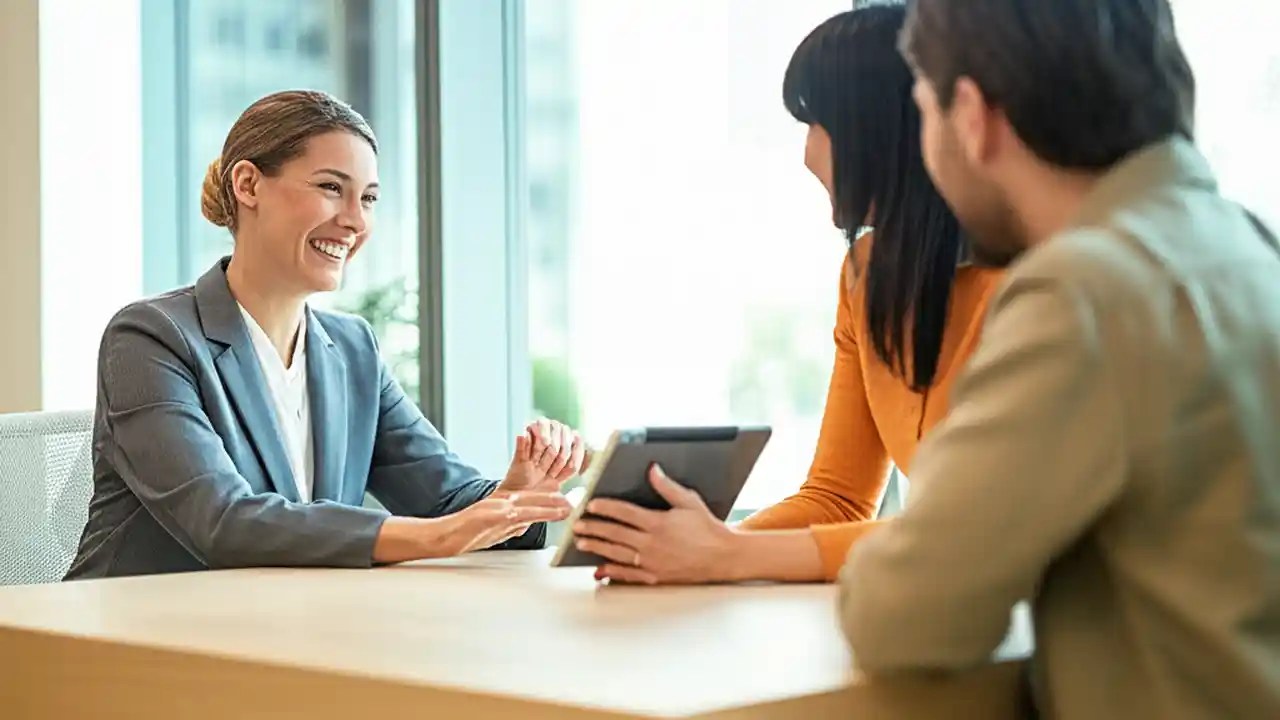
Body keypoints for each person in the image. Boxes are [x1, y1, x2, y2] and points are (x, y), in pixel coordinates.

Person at [837, 0, 1280, 717]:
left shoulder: (1086, 293)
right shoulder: (1247, 245)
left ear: (974, 118)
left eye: (924, 110)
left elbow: (901, 617)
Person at [65, 90, 582, 579]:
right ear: (248, 186)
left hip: (285, 634)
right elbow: (222, 521)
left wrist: (513, 499)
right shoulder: (150, 339)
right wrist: (437, 537)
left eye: (370, 198)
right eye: (331, 188)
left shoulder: (353, 350)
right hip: (131, 645)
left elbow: (445, 500)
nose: (355, 221)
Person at [571, 3, 1003, 584]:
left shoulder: (1025, 287)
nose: (805, 153)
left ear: (874, 127)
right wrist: (688, 549)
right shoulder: (864, 275)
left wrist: (726, 556)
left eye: (815, 122)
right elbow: (837, 497)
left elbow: (968, 530)